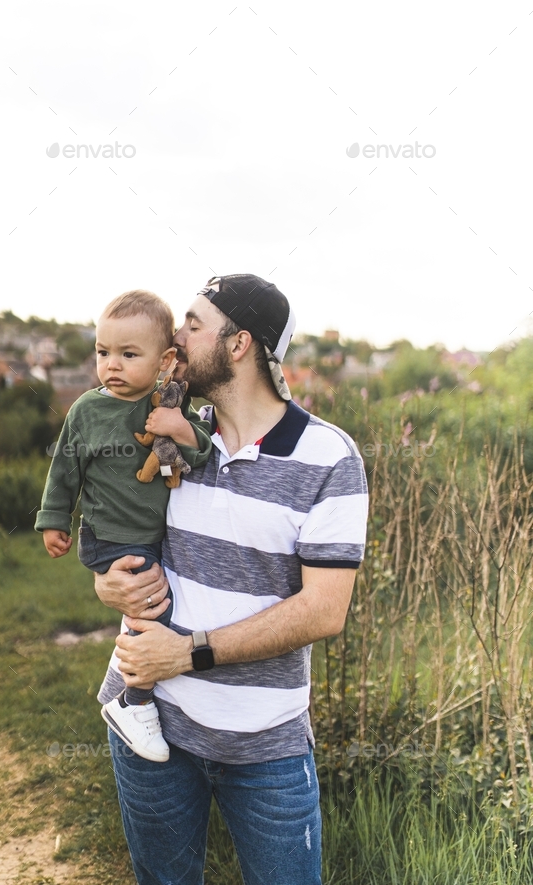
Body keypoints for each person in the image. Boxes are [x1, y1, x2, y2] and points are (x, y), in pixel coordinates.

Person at [94, 274, 369, 885]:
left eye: (193, 324)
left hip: (265, 745)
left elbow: (324, 610)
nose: (175, 335)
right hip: (150, 728)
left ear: (239, 343)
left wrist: (187, 654)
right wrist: (108, 583)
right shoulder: (170, 433)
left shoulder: (328, 459)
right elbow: (122, 536)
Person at [34, 289, 211, 763]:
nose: (112, 364)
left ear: (164, 359)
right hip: (110, 538)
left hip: (148, 537)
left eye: (128, 354)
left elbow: (201, 453)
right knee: (156, 613)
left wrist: (179, 427)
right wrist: (53, 520)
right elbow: (63, 471)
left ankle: (137, 698)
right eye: (103, 352)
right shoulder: (87, 412)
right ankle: (135, 705)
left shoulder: (168, 403)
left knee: (157, 609)